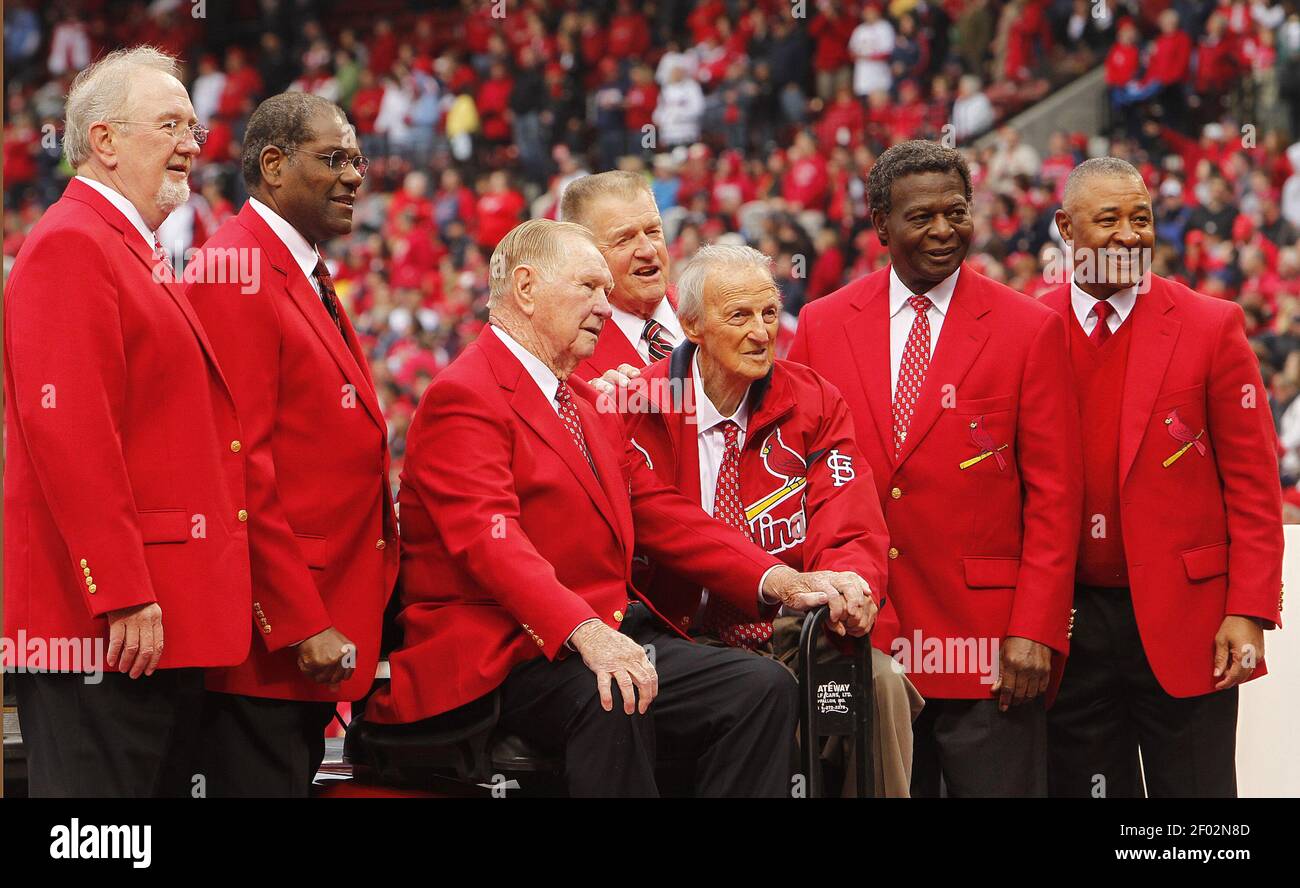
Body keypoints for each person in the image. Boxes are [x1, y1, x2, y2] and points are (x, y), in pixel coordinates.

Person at [364, 219, 873, 797]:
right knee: (617, 692)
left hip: (603, 629)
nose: (608, 308)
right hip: (508, 651)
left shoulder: (583, 397)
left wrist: (778, 580)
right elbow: (490, 542)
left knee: (761, 687)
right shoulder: (465, 395)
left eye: (608, 291)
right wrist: (584, 630)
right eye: (589, 288)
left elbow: (658, 510)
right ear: (526, 288)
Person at [789, 140, 1083, 797]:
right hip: (864, 641)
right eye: (922, 217)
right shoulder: (821, 324)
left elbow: (1056, 498)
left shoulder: (1029, 328)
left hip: (990, 645)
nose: (945, 230)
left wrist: (1035, 629)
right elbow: (797, 478)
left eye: (957, 211)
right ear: (881, 224)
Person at [2, 47, 252, 796]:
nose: (192, 142)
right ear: (104, 141)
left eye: (195, 125)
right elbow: (70, 432)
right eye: (170, 123)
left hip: (147, 624)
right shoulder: (73, 243)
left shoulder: (125, 246)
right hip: (102, 626)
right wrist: (120, 590)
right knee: (100, 844)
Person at [623, 244, 923, 797]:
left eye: (768, 313)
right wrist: (781, 582)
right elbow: (664, 526)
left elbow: (848, 513)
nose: (761, 333)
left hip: (793, 632)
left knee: (876, 682)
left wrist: (852, 582)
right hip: (679, 634)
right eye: (738, 316)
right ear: (691, 324)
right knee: (760, 691)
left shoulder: (813, 400)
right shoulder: (637, 406)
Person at [1041, 157, 1283, 798]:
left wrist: (1249, 609)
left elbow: (1255, 487)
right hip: (1069, 628)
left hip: (1193, 623)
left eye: (1141, 218)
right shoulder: (1026, 330)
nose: (1128, 234)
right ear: (1066, 228)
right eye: (1109, 219)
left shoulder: (1211, 325)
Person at [185, 93, 398, 797]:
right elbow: (235, 466)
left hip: (307, 635)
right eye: (334, 159)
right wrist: (300, 620)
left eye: (357, 160)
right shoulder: (237, 271)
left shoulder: (296, 266)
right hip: (267, 647)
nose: (354, 176)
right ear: (273, 166)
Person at [561, 170, 683, 380]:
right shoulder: (563, 354)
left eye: (653, 231)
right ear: (584, 253)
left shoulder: (713, 313)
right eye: (624, 239)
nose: (648, 250)